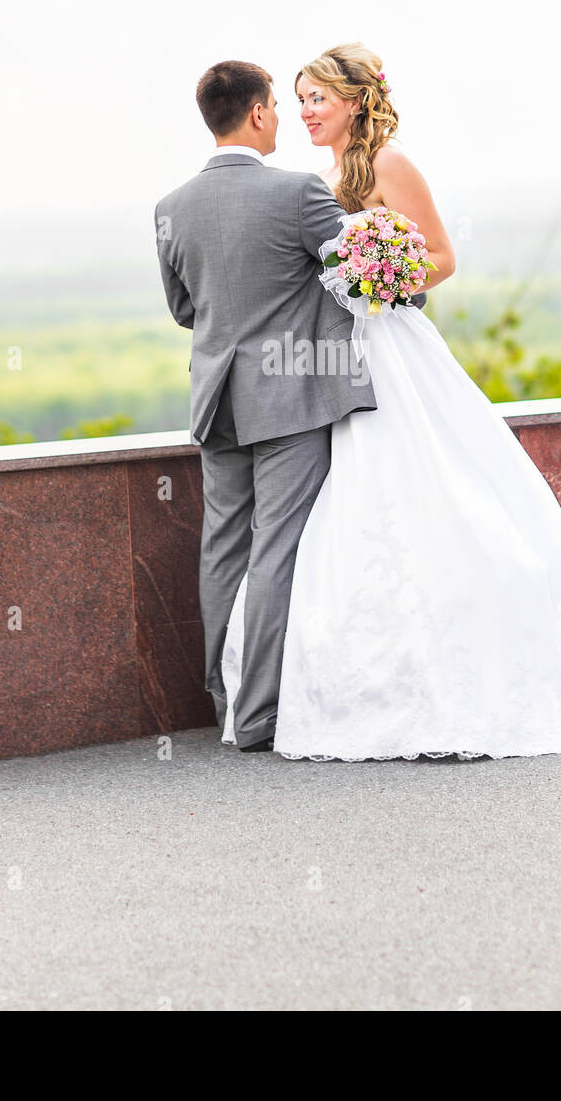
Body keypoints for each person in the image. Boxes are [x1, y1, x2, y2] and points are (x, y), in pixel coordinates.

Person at [217, 42, 561, 760]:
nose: (305, 112)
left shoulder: (389, 164)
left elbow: (442, 257)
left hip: (391, 349)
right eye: (298, 100)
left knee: (425, 482)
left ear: (356, 99)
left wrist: (377, 277)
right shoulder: (317, 179)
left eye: (317, 98)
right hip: (337, 357)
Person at [155, 59, 391, 751]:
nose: (285, 119)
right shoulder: (296, 196)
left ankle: (225, 704)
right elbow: (360, 279)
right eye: (278, 109)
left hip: (215, 401)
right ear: (257, 114)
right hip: (289, 399)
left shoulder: (169, 207)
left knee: (222, 550)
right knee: (277, 552)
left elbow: (182, 309)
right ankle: (258, 718)